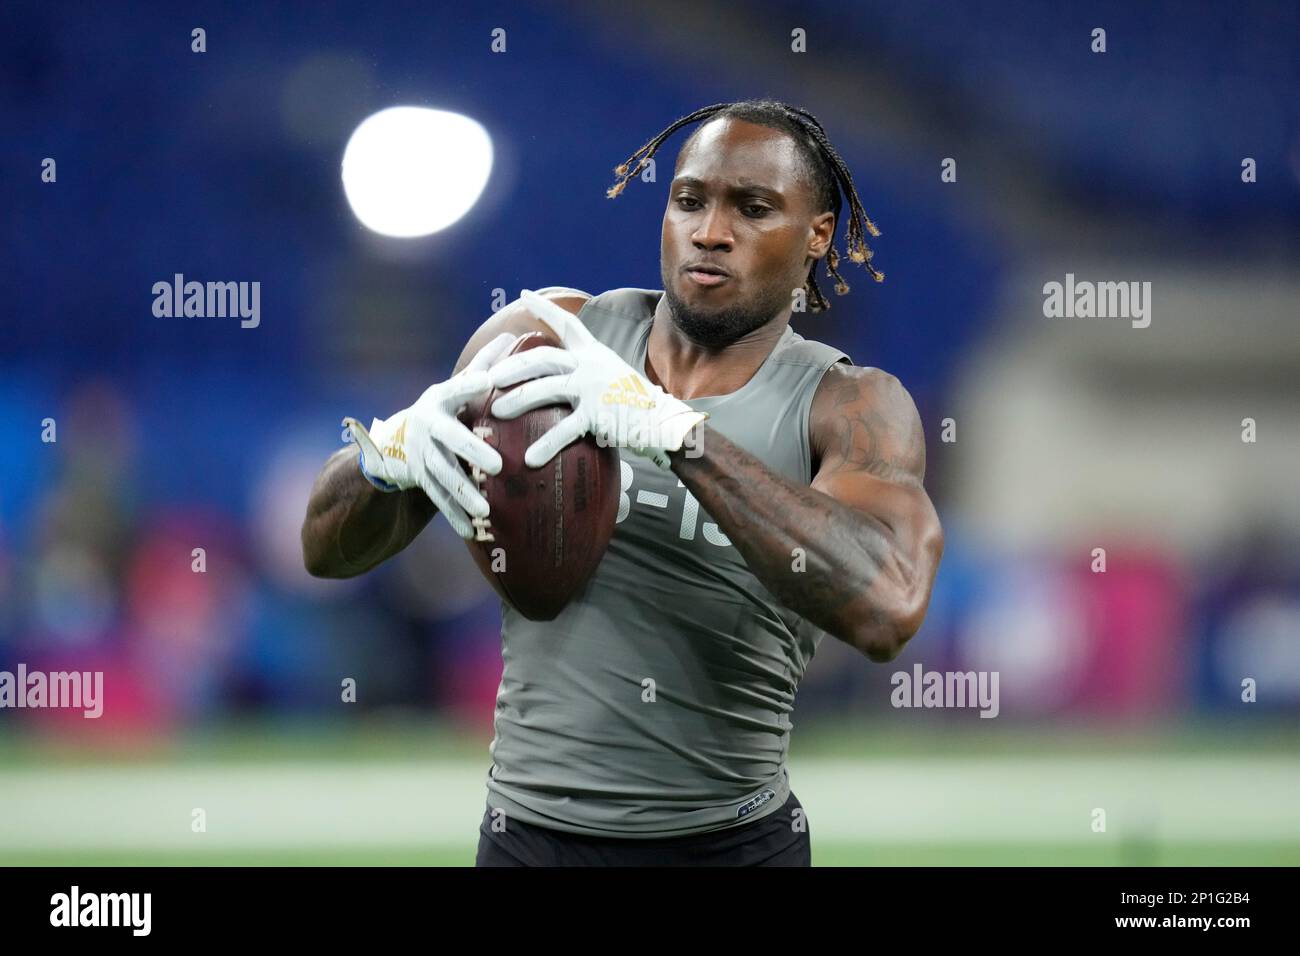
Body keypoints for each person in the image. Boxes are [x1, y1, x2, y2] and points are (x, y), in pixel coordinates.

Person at [302, 99, 944, 866]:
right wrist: (389, 457)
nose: (711, 230)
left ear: (817, 235)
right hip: (527, 839)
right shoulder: (543, 338)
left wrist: (679, 436)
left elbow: (888, 608)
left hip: (730, 843)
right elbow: (323, 552)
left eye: (754, 207)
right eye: (689, 200)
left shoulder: (849, 404)